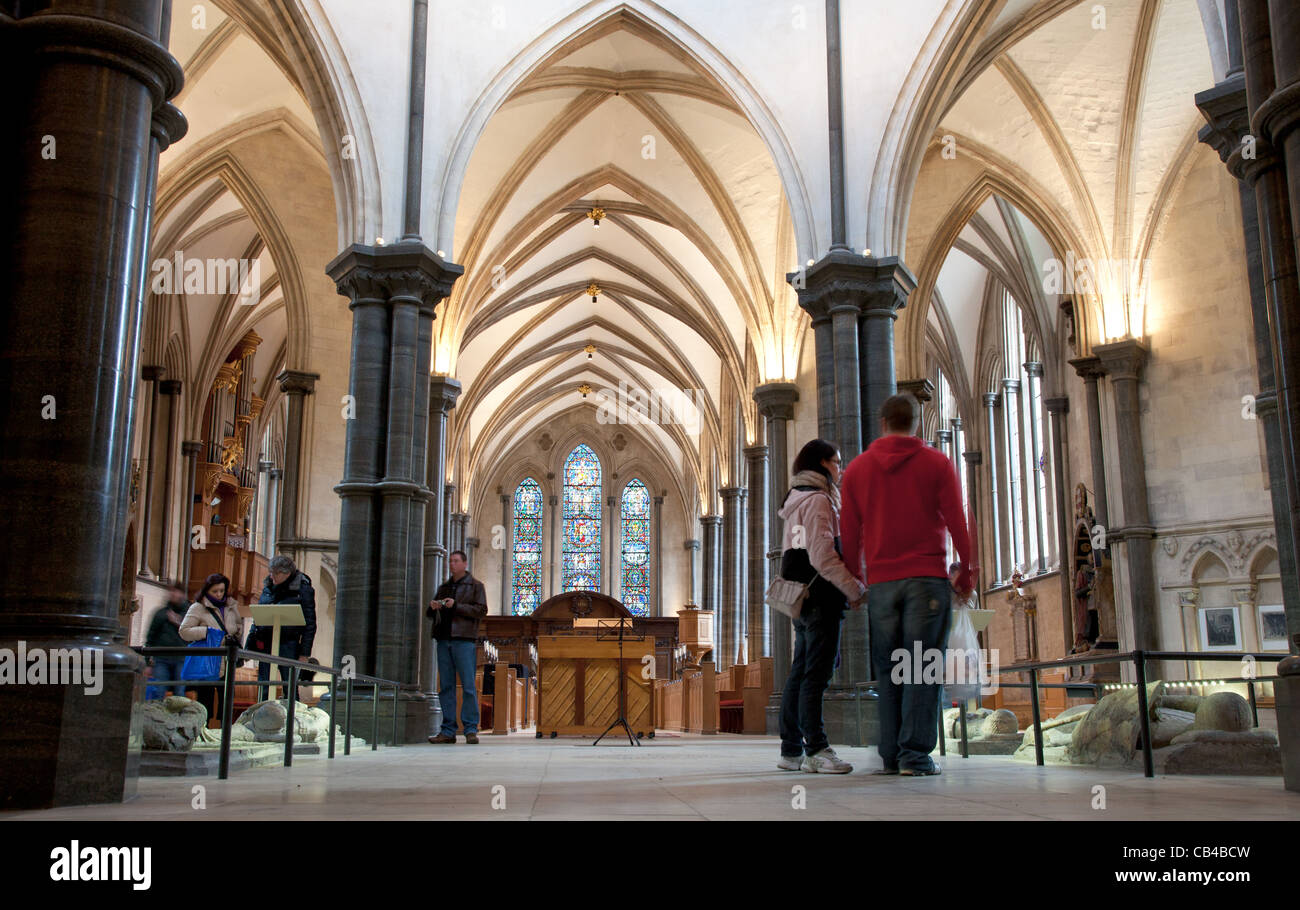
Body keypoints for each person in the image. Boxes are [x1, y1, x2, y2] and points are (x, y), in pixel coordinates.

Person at [841, 393, 973, 777]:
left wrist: (856, 580)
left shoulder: (858, 470)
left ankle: (891, 755)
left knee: (889, 669)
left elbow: (849, 532)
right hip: (927, 581)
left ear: (882, 423)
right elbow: (956, 522)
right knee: (922, 666)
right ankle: (913, 756)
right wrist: (967, 572)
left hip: (882, 585)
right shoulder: (937, 463)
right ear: (916, 422)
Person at [775, 439, 866, 774]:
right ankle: (816, 748)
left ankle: (791, 750)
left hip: (804, 598)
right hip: (821, 597)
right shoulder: (817, 500)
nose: (840, 469)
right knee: (816, 674)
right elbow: (822, 555)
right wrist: (853, 588)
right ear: (822, 464)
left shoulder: (797, 498)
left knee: (801, 673)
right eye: (837, 462)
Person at [428, 550, 488, 744]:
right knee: (446, 687)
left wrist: (456, 605)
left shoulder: (476, 586)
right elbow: (430, 614)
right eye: (450, 561)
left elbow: (480, 610)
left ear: (464, 563)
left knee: (469, 686)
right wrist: (433, 607)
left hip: (464, 639)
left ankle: (470, 729)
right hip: (444, 639)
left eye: (455, 561)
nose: (451, 564)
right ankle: (447, 730)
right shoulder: (444, 587)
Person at [179, 573, 244, 725]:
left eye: (222, 590)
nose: (219, 594)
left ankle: (223, 736)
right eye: (215, 591)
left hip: (227, 659)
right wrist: (206, 632)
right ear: (207, 590)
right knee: (205, 699)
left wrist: (235, 636)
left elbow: (237, 627)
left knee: (226, 699)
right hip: (208, 659)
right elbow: (184, 631)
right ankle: (203, 732)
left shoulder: (231, 606)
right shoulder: (198, 607)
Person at [247, 555, 317, 690]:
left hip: (289, 644)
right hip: (266, 643)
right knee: (264, 686)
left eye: (275, 573)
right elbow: (258, 619)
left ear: (287, 573)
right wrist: (249, 647)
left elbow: (310, 624)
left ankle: (291, 711)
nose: (271, 577)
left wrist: (304, 653)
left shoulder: (303, 590)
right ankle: (264, 710)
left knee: (289, 687)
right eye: (270, 573)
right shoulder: (268, 588)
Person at [145, 584, 189, 697]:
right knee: (158, 691)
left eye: (177, 592)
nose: (174, 594)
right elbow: (151, 637)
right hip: (161, 658)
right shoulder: (161, 613)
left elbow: (193, 634)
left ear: (182, 595)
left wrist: (177, 622)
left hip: (181, 658)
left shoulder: (189, 614)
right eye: (172, 592)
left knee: (179, 693)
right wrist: (148, 663)